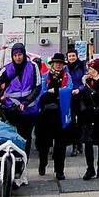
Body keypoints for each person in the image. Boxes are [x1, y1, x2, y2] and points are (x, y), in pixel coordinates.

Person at [35, 52, 73, 180]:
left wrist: (56, 91)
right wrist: (57, 93)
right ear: (52, 64)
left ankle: (59, 170)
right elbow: (42, 93)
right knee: (44, 144)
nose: (58, 65)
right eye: (56, 63)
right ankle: (42, 163)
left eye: (60, 63)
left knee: (60, 145)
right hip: (46, 115)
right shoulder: (45, 76)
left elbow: (69, 89)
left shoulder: (67, 77)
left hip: (60, 115)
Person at [0, 42, 42, 156]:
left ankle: (23, 161)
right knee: (11, 134)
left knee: (25, 136)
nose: (17, 57)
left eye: (19, 54)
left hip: (29, 110)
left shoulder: (33, 67)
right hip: (12, 109)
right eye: (15, 55)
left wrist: (27, 101)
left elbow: (38, 87)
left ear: (24, 54)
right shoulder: (8, 68)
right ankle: (13, 161)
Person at [63, 46, 86, 155]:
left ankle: (80, 143)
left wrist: (79, 89)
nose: (71, 58)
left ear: (77, 56)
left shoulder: (82, 66)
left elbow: (85, 81)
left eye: (73, 56)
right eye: (69, 56)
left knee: (81, 121)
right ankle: (74, 146)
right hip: (69, 97)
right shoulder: (65, 68)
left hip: (80, 97)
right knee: (71, 122)